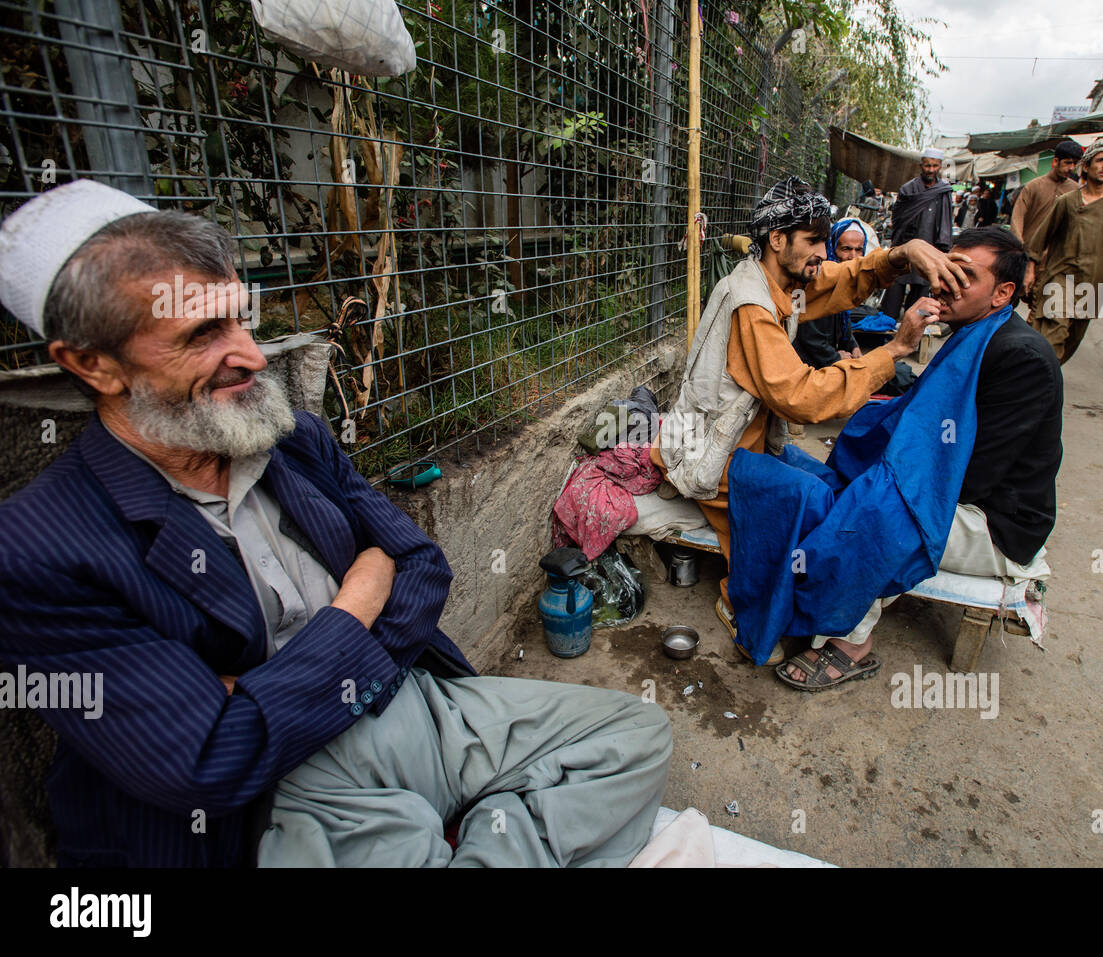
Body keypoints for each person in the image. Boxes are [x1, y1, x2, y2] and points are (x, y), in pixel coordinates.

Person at [0, 180, 672, 867]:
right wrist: (353, 604)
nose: (254, 357)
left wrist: (261, 689)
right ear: (91, 363)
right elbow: (210, 758)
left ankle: (488, 829)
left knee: (638, 735)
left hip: (406, 705)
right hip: (279, 789)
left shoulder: (290, 439)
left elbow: (418, 566)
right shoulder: (40, 548)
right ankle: (494, 817)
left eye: (241, 319)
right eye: (204, 333)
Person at [652, 175, 969, 666]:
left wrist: (903, 253)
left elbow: (844, 280)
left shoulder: (783, 283)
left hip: (748, 444)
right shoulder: (753, 307)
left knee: (831, 487)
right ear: (777, 240)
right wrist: (894, 350)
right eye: (814, 241)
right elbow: (801, 397)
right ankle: (742, 602)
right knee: (798, 507)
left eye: (826, 240)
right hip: (711, 456)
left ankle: (802, 593)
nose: (824, 252)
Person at [778, 228, 1062, 688]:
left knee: (870, 516)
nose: (944, 280)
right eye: (944, 267)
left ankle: (851, 642)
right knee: (838, 472)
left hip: (992, 522)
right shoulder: (973, 333)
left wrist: (887, 481)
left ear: (1002, 293)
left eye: (964, 275)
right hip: (957, 491)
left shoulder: (1021, 357)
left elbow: (971, 478)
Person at [1024, 138, 1103, 364]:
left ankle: (1040, 376)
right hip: (1060, 278)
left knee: (1071, 339)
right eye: (1100, 160)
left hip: (1094, 281)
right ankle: (1039, 384)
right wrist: (1030, 271)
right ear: (1087, 166)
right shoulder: (1068, 201)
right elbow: (1040, 239)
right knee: (1053, 335)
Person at [879, 148, 954, 323]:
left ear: (940, 166)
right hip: (906, 245)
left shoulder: (943, 191)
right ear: (921, 165)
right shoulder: (909, 188)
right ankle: (886, 327)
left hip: (930, 246)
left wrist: (942, 249)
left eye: (934, 166)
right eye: (927, 165)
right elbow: (898, 217)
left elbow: (945, 221)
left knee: (922, 289)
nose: (930, 169)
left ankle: (915, 327)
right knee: (896, 284)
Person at [793, 218, 873, 368]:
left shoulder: (845, 284)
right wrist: (835, 357)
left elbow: (845, 325)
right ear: (832, 247)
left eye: (859, 249)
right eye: (846, 249)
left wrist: (853, 347)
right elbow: (805, 335)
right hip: (806, 363)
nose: (853, 257)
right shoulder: (807, 280)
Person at [1010, 140, 1082, 242]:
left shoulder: (1076, 190)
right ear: (1056, 161)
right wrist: (1019, 244)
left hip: (1058, 254)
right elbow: (1017, 218)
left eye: (1075, 163)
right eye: (1067, 163)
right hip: (1029, 251)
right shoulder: (1033, 186)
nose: (1071, 168)